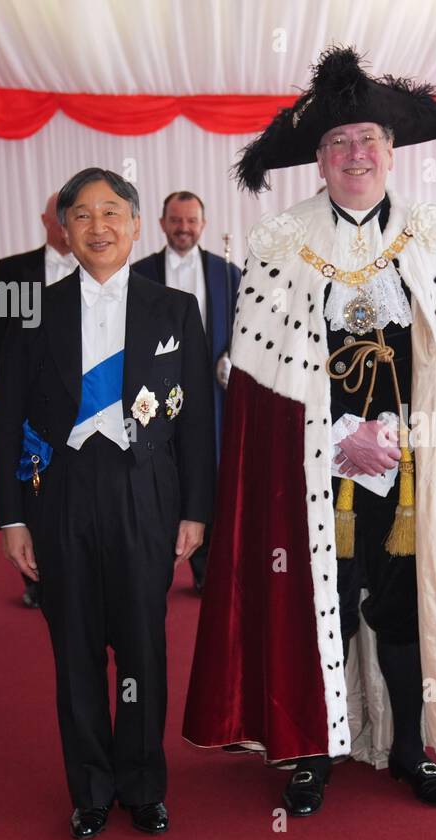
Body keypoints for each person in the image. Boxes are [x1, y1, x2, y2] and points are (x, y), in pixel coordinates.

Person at [182, 46, 436, 817]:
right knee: (323, 601)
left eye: (367, 140)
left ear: (390, 150)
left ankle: (409, 749)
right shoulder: (277, 242)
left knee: (406, 607)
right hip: (313, 466)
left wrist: (411, 438)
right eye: (338, 143)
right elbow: (258, 378)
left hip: (414, 468)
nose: (354, 155)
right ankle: (311, 752)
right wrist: (336, 436)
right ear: (318, 158)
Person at [0, 168, 214, 840]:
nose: (98, 226)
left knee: (143, 645)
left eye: (112, 212)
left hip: (145, 492)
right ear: (64, 228)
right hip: (61, 492)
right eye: (81, 215)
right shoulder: (35, 309)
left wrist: (196, 508)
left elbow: (198, 420)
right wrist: (11, 514)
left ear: (136, 224)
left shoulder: (174, 309)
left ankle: (142, 782)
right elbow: (10, 417)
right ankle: (90, 787)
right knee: (77, 648)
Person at [133, 190, 241, 590]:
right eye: (176, 220)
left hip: (211, 392)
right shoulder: (140, 273)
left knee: (207, 469)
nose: (183, 228)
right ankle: (156, 561)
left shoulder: (227, 272)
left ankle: (206, 569)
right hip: (155, 392)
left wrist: (233, 355)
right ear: (162, 224)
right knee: (159, 470)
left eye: (191, 220)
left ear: (203, 224)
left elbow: (244, 329)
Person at [0, 193, 79, 610]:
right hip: (30, 408)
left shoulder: (102, 268)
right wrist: (3, 403)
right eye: (58, 214)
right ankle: (35, 578)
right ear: (44, 219)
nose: (64, 222)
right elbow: (1, 344)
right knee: (31, 489)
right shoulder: (14, 271)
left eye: (72, 214)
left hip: (87, 403)